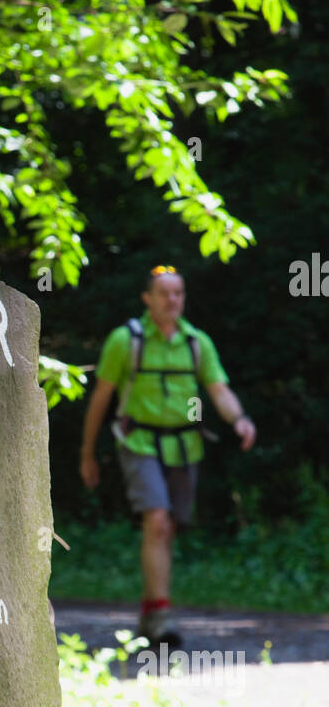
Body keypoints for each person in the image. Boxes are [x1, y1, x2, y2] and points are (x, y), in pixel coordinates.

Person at [79, 266, 256, 645]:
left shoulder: (197, 343)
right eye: (164, 293)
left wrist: (239, 419)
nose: (172, 300)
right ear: (147, 298)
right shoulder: (125, 340)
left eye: (178, 293)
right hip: (137, 443)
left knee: (167, 530)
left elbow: (219, 390)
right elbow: (101, 398)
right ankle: (160, 614)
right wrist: (87, 453)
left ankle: (149, 610)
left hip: (185, 447)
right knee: (157, 522)